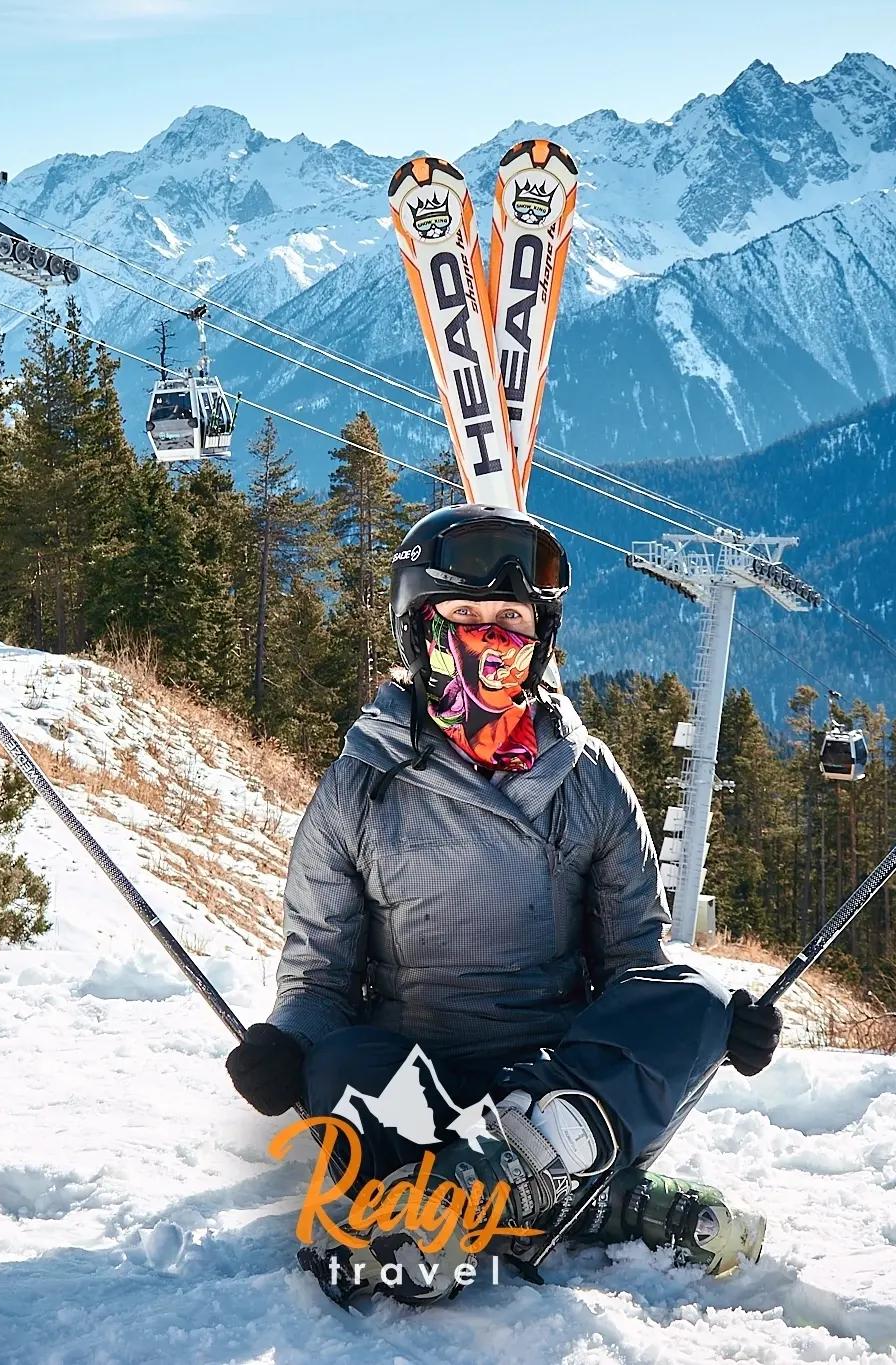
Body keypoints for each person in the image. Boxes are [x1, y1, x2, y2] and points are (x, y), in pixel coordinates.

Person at [226, 504, 783, 1306]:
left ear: (541, 637)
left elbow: (637, 961)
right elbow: (318, 975)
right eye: (467, 618)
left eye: (511, 621)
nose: (492, 640)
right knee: (334, 1065)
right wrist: (285, 1042)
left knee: (691, 1002)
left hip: (559, 1083)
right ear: (420, 631)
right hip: (414, 1079)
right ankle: (590, 1203)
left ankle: (470, 1193)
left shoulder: (587, 778)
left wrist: (721, 1026)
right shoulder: (359, 783)